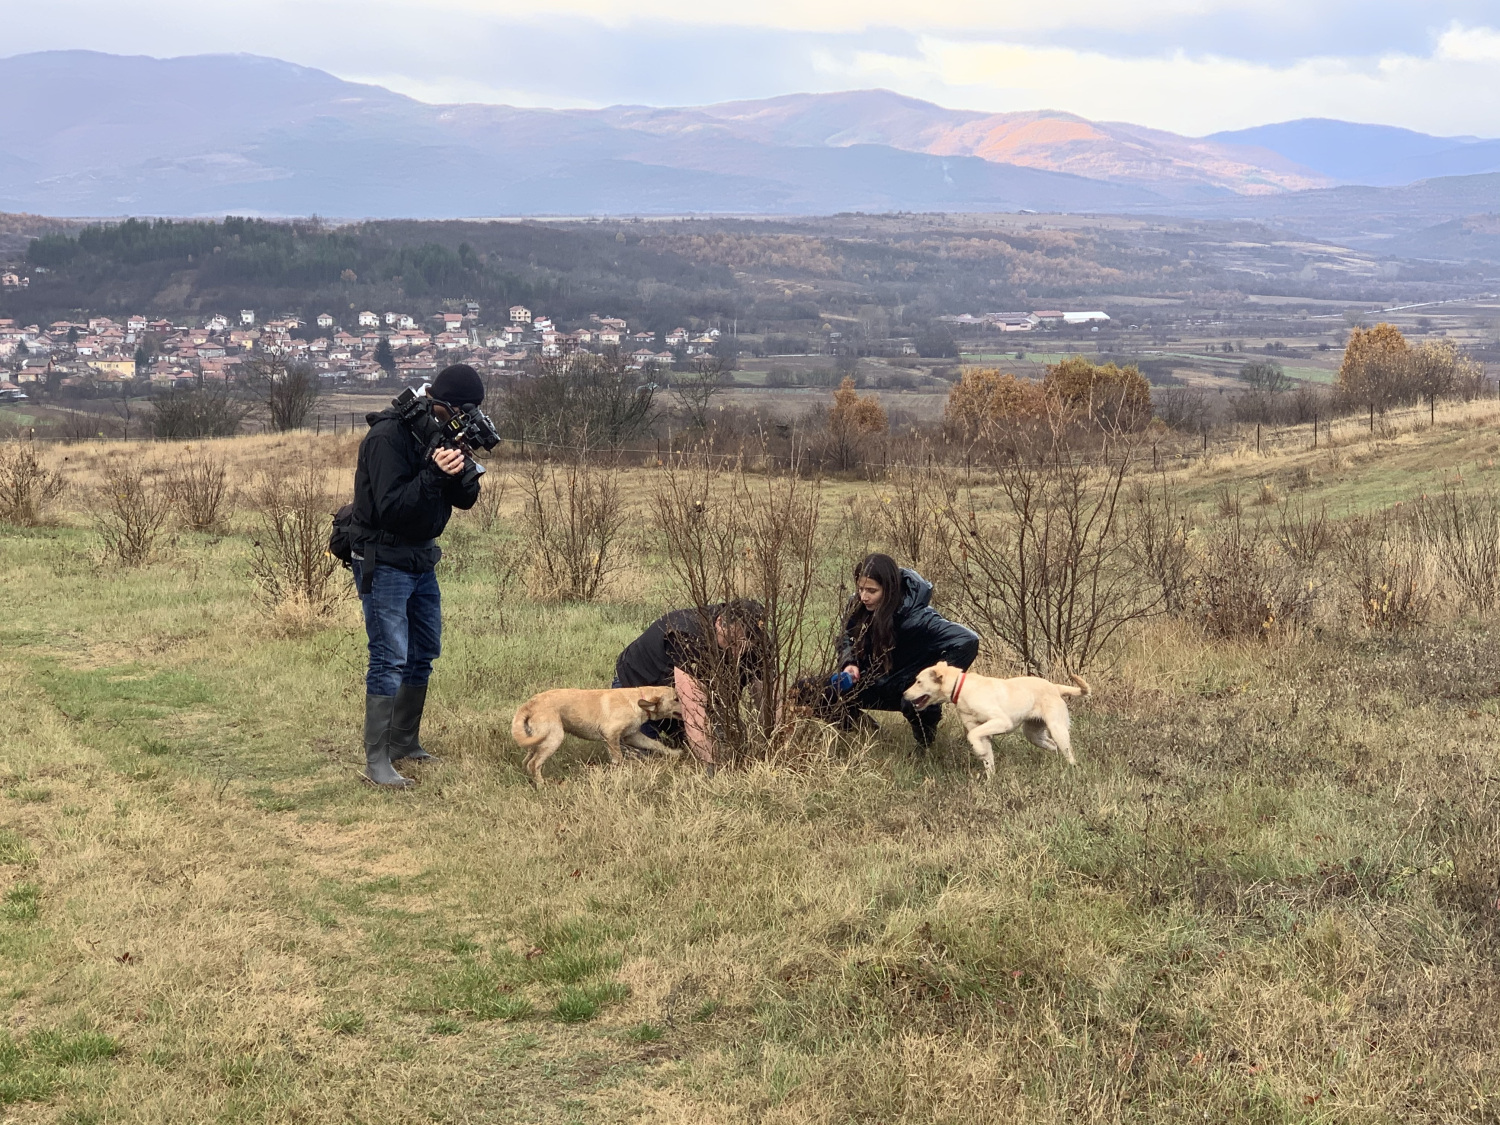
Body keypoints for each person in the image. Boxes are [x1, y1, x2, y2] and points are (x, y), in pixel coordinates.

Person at [350, 364, 485, 788]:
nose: (462, 419)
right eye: (460, 410)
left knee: (423, 650)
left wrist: (459, 472)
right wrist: (432, 473)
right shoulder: (388, 436)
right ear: (438, 401)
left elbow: (464, 500)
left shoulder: (440, 435)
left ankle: (404, 741)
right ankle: (377, 760)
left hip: (421, 558)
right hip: (384, 556)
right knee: (389, 656)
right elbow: (392, 508)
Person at [834, 552, 979, 748]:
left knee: (917, 701)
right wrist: (849, 661)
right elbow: (845, 636)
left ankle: (925, 746)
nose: (864, 596)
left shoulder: (917, 617)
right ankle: (869, 731)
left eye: (871, 590)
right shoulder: (857, 604)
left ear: (889, 590)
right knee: (812, 691)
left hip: (909, 687)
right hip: (871, 681)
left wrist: (936, 681)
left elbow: (967, 640)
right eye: (860, 588)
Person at [613, 600, 766, 772]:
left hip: (677, 704)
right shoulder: (688, 635)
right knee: (643, 760)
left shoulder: (758, 637)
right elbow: (694, 712)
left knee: (727, 743)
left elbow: (768, 700)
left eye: (743, 647)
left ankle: (678, 734)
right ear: (720, 622)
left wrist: (776, 743)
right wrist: (712, 770)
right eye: (732, 643)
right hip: (638, 693)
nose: (736, 654)